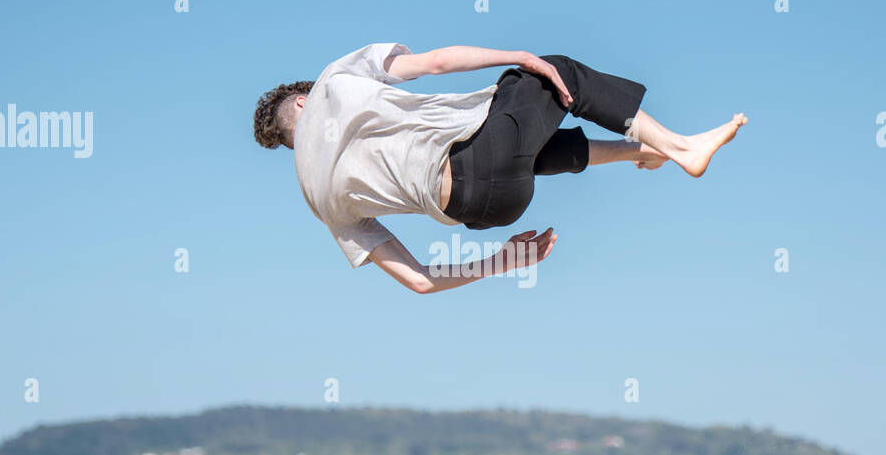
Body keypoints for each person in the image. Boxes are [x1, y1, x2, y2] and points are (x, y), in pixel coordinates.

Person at [253, 43, 746, 292]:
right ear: (301, 103)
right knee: (555, 73)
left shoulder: (319, 200)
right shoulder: (332, 80)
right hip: (475, 159)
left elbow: (419, 280)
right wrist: (521, 57)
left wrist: (505, 262)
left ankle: (644, 152)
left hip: (487, 210)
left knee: (522, 143)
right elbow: (436, 63)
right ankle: (682, 148)